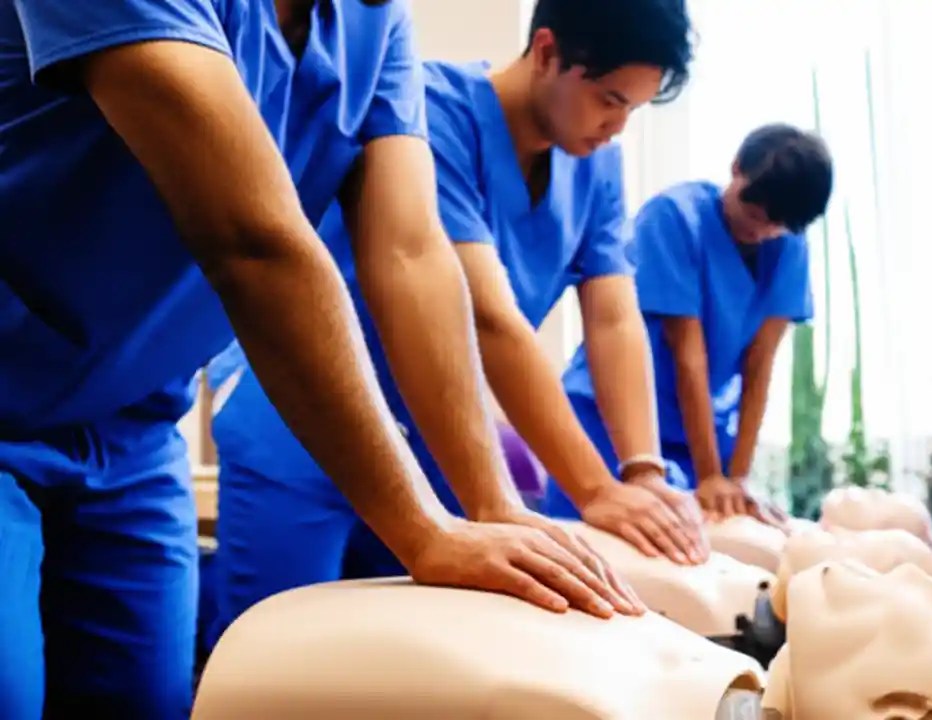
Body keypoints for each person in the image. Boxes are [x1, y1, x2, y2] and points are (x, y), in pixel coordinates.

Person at [0, 1, 625, 717]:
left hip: (134, 429)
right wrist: (423, 528)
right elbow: (253, 242)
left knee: (145, 699)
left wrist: (490, 505)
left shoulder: (374, 25)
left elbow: (412, 252)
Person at [209, 0, 706, 645]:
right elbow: (488, 318)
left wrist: (641, 471)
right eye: (610, 99)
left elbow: (614, 318)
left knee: (421, 667)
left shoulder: (595, 163)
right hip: (303, 427)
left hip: (433, 444)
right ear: (548, 52)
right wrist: (593, 488)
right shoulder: (432, 106)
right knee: (277, 663)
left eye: (634, 109)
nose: (618, 126)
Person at [548, 124, 833, 527]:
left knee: (705, 532)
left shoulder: (788, 246)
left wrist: (736, 478)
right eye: (752, 213)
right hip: (609, 415)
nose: (760, 231)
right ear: (736, 169)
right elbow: (688, 356)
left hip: (697, 429)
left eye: (775, 227)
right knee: (596, 542)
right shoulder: (675, 217)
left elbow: (760, 364)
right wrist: (710, 476)